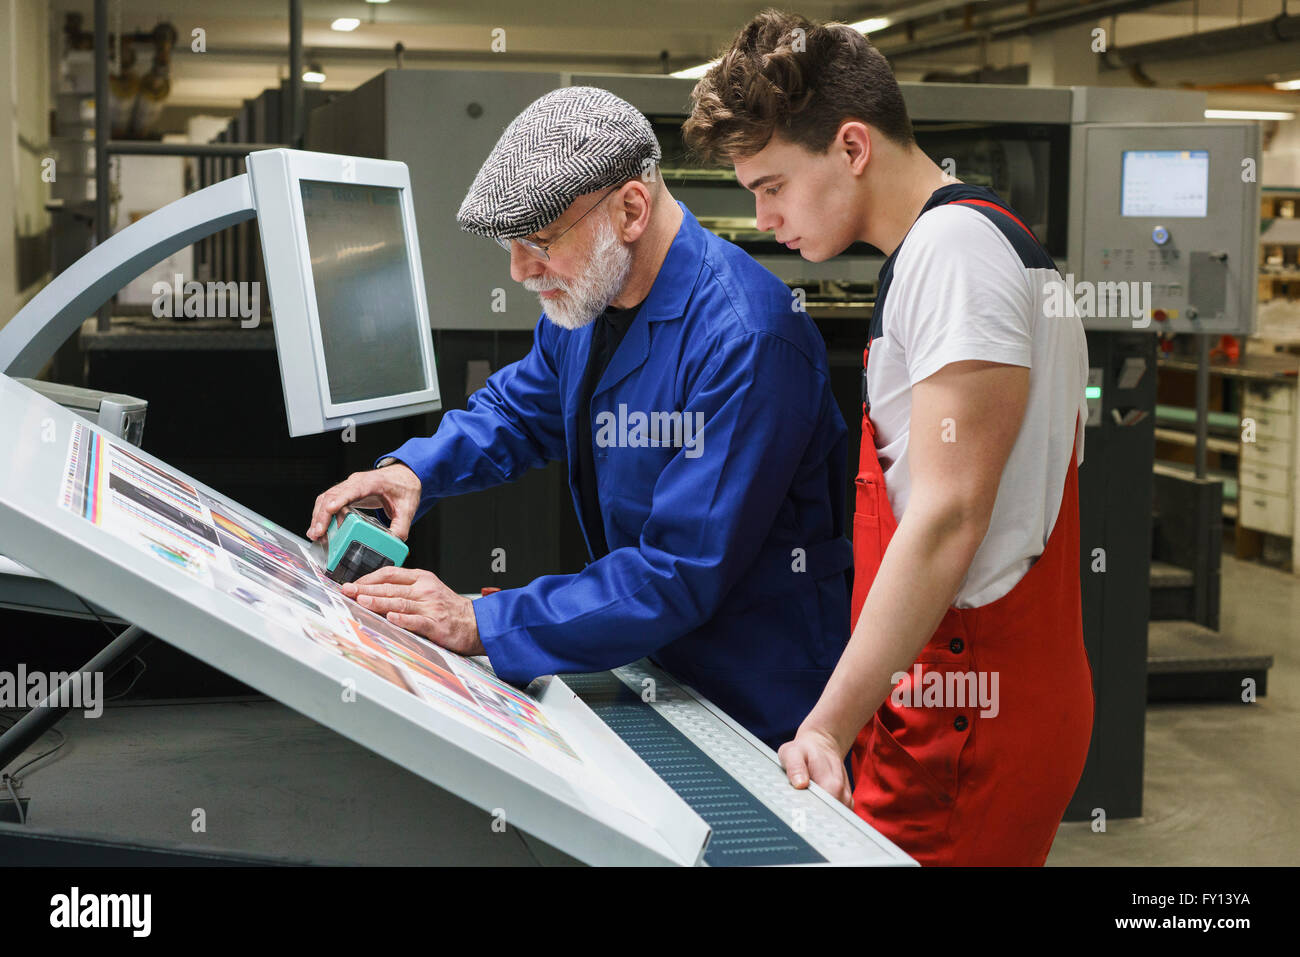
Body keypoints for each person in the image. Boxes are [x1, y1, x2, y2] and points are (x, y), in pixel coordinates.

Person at [308, 86, 852, 750]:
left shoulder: (748, 339)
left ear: (630, 209)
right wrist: (414, 471)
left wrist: (480, 620)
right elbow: (518, 411)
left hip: (757, 701)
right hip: (653, 664)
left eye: (537, 241)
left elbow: (676, 570)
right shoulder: (591, 297)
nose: (519, 272)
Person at [683, 11, 1094, 864]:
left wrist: (827, 727)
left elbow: (947, 515)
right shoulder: (964, 243)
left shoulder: (954, 254)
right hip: (960, 695)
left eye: (772, 185)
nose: (763, 218)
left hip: (965, 718)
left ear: (852, 147)